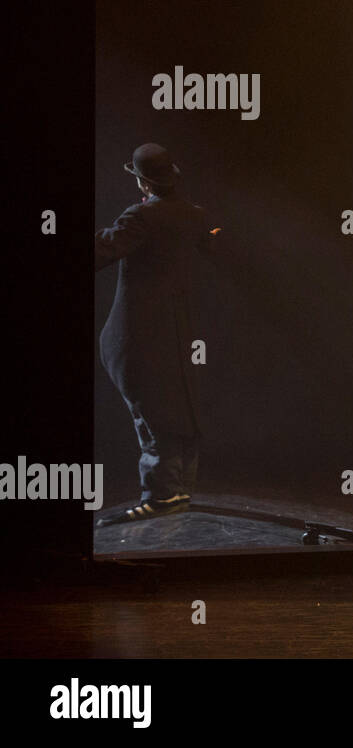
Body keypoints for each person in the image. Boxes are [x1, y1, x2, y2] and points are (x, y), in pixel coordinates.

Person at [95, 143, 219, 525]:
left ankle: (163, 495)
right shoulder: (195, 216)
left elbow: (103, 251)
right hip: (177, 325)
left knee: (147, 406)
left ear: (143, 183)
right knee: (177, 400)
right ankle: (179, 487)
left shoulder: (141, 216)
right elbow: (212, 245)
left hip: (137, 329)